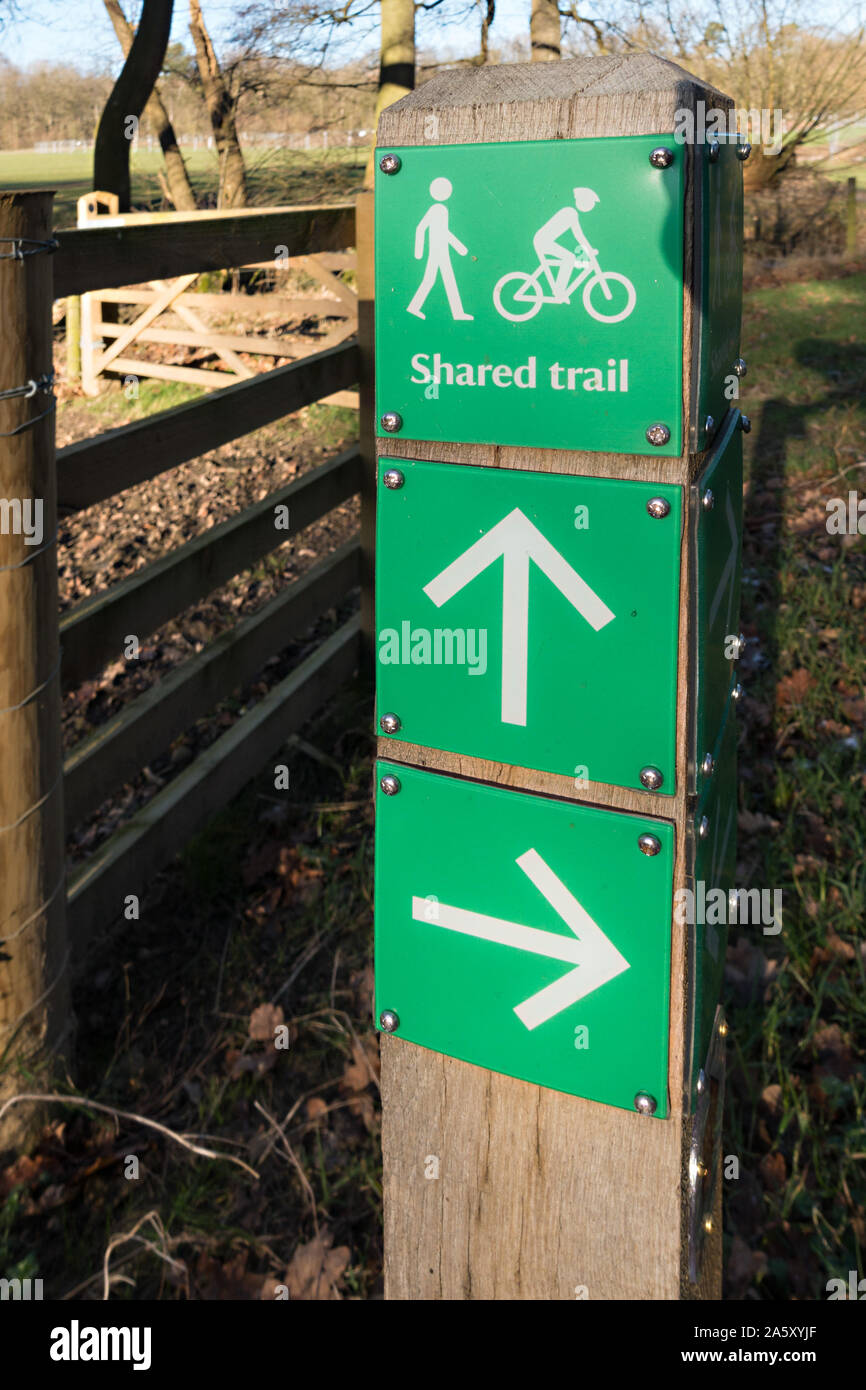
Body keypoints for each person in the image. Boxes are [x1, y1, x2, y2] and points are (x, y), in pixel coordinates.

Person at [407, 177, 474, 321]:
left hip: (441, 251)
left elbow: (444, 232)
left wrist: (458, 247)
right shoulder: (437, 209)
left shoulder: (441, 209)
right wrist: (418, 251)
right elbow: (421, 228)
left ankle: (456, 312)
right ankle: (415, 307)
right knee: (436, 280)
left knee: (440, 280)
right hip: (437, 252)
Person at [532, 187, 600, 303]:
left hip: (544, 240)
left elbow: (578, 235)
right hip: (543, 241)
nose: (590, 206)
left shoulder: (572, 212)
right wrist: (589, 250)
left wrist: (588, 250)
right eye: (589, 203)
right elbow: (578, 235)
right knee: (569, 258)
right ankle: (559, 292)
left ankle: (559, 290)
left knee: (570, 258)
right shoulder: (570, 212)